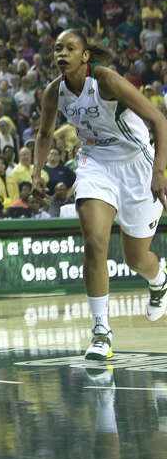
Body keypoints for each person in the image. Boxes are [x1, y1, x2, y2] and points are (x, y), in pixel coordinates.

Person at [33, 29, 167, 360]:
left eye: (69, 48)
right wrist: (36, 173)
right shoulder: (54, 92)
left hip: (137, 165)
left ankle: (159, 278)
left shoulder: (107, 81)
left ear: (85, 56)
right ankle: (101, 331)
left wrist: (159, 171)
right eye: (57, 49)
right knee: (94, 243)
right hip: (96, 165)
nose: (61, 54)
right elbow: (45, 133)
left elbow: (159, 121)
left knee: (137, 260)